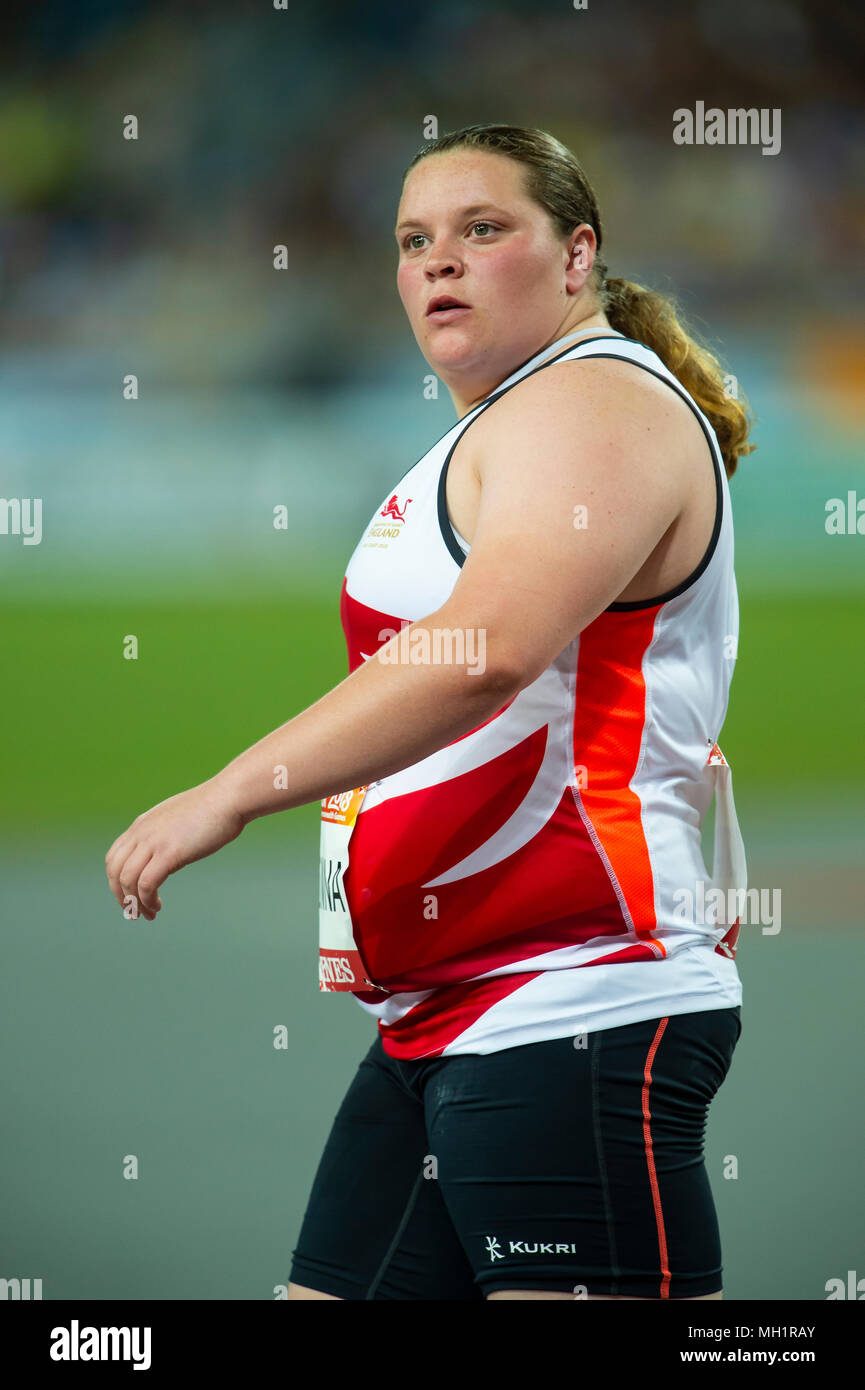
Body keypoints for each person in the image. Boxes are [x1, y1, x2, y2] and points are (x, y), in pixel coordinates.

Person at [105, 123, 754, 1301]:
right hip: (446, 1013)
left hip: (575, 1000)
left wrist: (228, 791)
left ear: (576, 257)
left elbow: (484, 653)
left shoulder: (596, 402)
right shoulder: (505, 421)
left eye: (482, 229)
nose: (438, 262)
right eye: (415, 240)